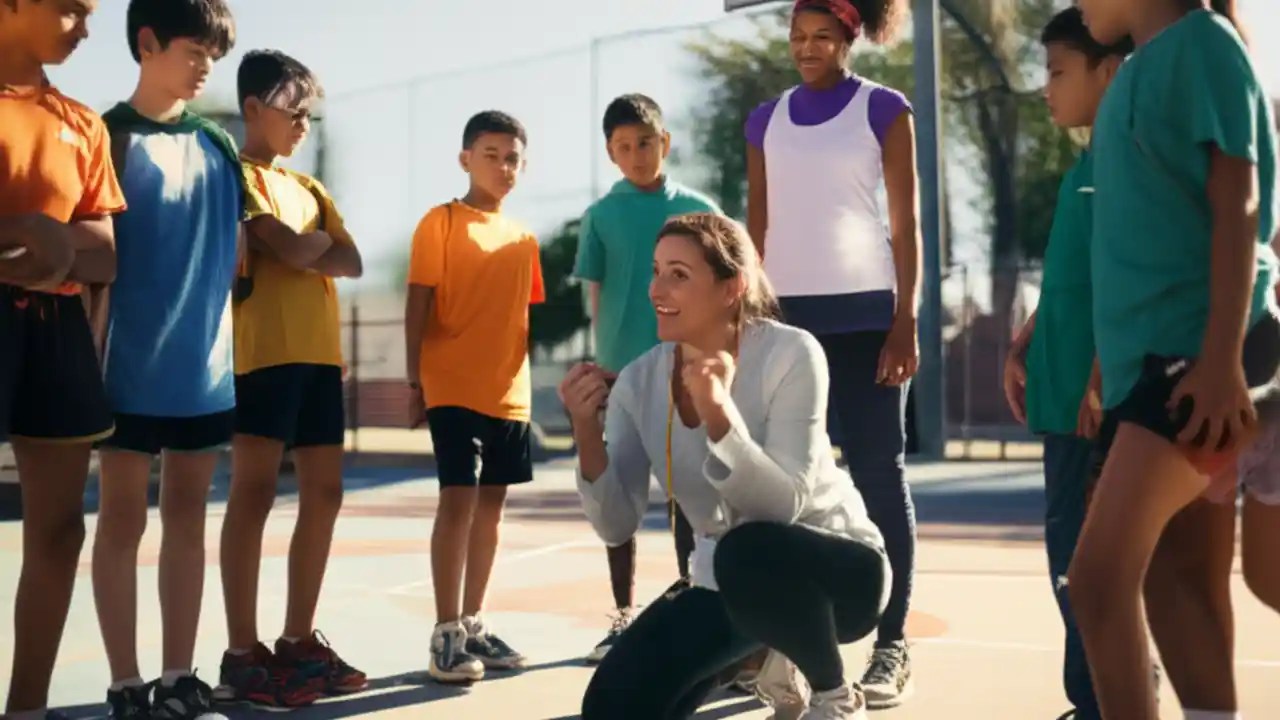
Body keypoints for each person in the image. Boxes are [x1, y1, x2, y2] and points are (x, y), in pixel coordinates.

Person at [563, 213, 890, 720]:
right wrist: (587, 432)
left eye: (679, 274)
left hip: (841, 576)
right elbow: (616, 524)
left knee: (747, 549)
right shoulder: (637, 381)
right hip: (727, 580)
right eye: (655, 270)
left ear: (730, 287)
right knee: (611, 706)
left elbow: (784, 505)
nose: (655, 289)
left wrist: (718, 415)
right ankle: (772, 653)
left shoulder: (791, 353)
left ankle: (834, 695)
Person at [1070, 1, 1279, 718]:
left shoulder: (1202, 45)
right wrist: (1105, 360)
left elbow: (1240, 206)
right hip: (1149, 362)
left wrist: (1221, 359)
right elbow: (1142, 234)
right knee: (1177, 575)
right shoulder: (1136, 69)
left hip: (1200, 360)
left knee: (1098, 579)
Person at [743, 0, 918, 708]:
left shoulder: (884, 110)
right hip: (786, 321)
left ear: (852, 39)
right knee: (779, 486)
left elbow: (905, 224)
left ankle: (891, 644)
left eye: (822, 38)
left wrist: (906, 320)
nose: (807, 49)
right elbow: (757, 224)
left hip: (868, 319)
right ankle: (781, 647)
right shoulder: (765, 119)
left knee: (879, 474)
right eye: (797, 38)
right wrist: (748, 317)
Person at [88, 2, 238, 716]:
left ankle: (179, 676)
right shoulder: (106, 136)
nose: (207, 61)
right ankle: (125, 683)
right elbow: (93, 263)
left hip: (203, 373)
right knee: (121, 521)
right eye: (194, 46)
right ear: (146, 43)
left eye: (215, 50)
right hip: (124, 372)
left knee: (187, 520)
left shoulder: (218, 144)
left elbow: (235, 260)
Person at [215, 49, 365, 708]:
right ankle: (243, 652)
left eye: (309, 113)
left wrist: (302, 250)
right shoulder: (233, 174)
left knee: (324, 493)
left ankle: (298, 639)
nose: (303, 123)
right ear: (253, 108)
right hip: (261, 356)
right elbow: (302, 248)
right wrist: (306, 250)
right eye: (291, 111)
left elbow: (349, 259)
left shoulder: (311, 189)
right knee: (252, 495)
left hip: (318, 357)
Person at [0, 1, 127, 716]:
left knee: (59, 528)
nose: (84, 26)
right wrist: (23, 228)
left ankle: (26, 708)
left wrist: (51, 243)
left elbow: (104, 251)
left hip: (56, 326)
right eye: (70, 8)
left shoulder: (82, 121)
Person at [1003, 9, 1129, 719]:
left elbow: (1129, 278)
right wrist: (1027, 339)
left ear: (1109, 72)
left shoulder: (1123, 163)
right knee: (1069, 561)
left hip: (1096, 411)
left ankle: (1104, 701)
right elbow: (1074, 282)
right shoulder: (1084, 167)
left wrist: (1102, 375)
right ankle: (1096, 700)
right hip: (1061, 404)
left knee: (1089, 568)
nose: (1045, 87)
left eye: (1057, 72)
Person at [572, 93, 721, 664]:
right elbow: (596, 291)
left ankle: (698, 609)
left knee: (693, 492)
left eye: (647, 143)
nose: (637, 155)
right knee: (620, 488)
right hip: (620, 372)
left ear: (667, 142)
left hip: (685, 366)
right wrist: (603, 356)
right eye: (624, 146)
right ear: (611, 153)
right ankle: (622, 615)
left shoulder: (699, 210)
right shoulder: (600, 216)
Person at [404, 110, 543, 684]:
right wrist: (415, 380)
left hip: (510, 394)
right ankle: (445, 634)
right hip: (452, 385)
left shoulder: (526, 237)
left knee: (491, 509)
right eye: (491, 155)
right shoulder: (440, 222)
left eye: (512, 157)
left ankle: (474, 622)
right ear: (466, 159)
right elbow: (418, 302)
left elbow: (518, 318)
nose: (503, 166)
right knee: (457, 503)